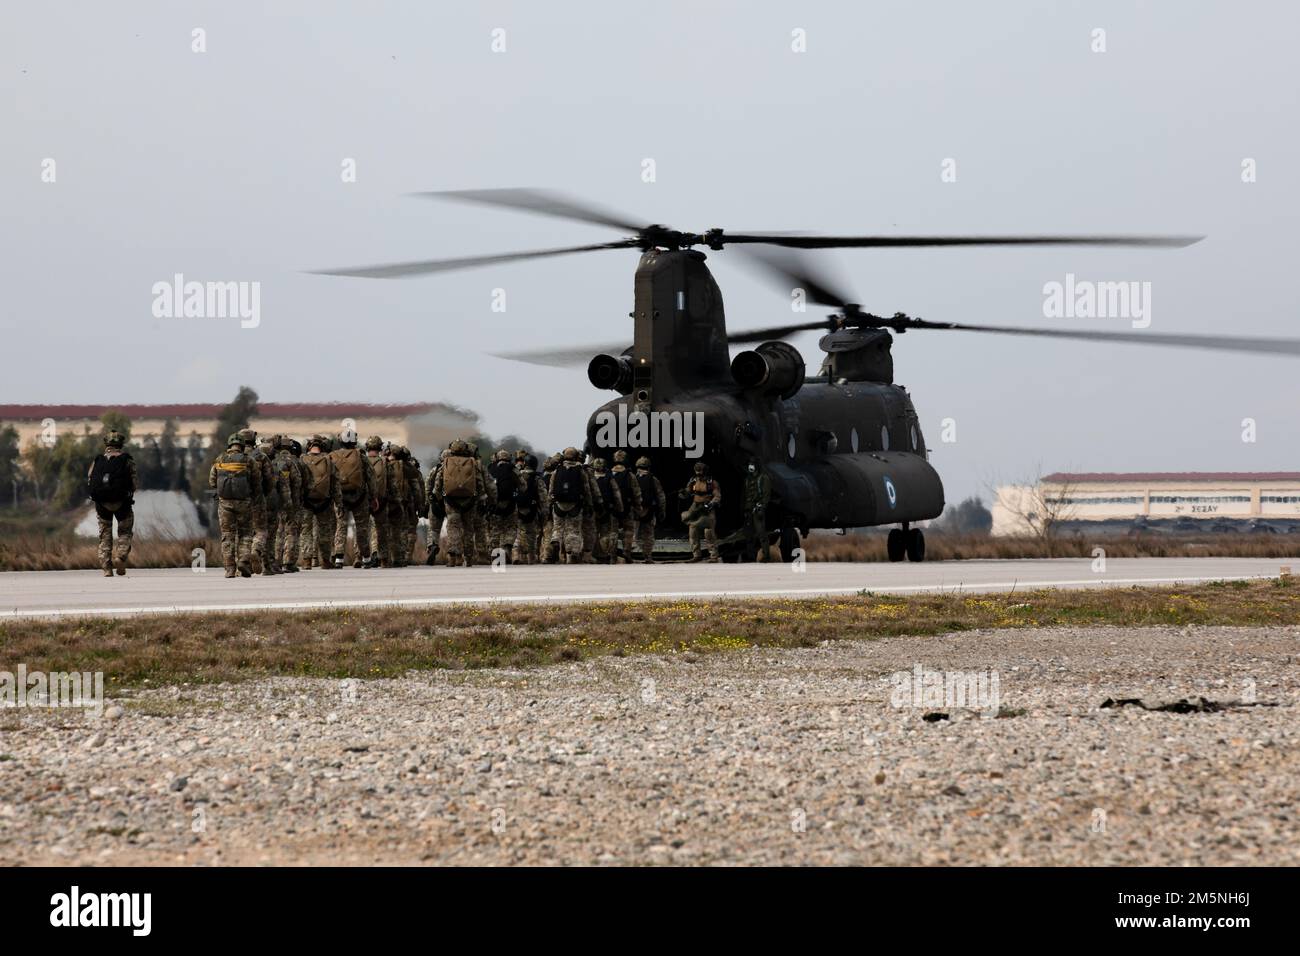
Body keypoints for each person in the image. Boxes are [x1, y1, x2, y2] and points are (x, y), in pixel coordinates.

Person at [86, 430, 137, 576]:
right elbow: (134, 483)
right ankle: (120, 556)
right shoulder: (127, 460)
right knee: (125, 532)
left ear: (106, 444)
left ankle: (106, 567)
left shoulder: (98, 460)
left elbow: (90, 479)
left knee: (105, 535)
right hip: (123, 503)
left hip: (102, 504)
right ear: (120, 444)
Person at [209, 433, 261, 577]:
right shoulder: (249, 460)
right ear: (242, 445)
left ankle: (230, 568)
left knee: (227, 535)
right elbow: (256, 483)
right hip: (244, 502)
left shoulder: (220, 459)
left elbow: (212, 482)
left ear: (229, 445)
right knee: (245, 534)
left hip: (225, 504)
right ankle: (243, 561)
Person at [434, 439, 484, 566]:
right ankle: (468, 558)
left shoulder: (446, 462)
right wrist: (480, 498)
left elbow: (438, 483)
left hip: (451, 501)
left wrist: (438, 498)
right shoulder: (473, 463)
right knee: (468, 528)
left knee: (453, 527)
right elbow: (479, 483)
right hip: (469, 500)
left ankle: (453, 557)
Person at [331, 429, 376, 568]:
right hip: (359, 498)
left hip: (340, 498)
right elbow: (371, 477)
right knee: (361, 528)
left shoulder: (332, 456)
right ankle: (366, 558)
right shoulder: (361, 456)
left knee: (341, 527)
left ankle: (338, 559)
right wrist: (373, 496)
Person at [237, 428, 274, 574]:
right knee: (261, 531)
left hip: (238, 501)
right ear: (253, 440)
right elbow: (269, 480)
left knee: (244, 534)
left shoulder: (233, 456)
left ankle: (243, 562)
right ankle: (256, 552)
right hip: (257, 500)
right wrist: (263, 494)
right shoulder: (261, 456)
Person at [301, 435, 342, 567]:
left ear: (309, 446)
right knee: (324, 530)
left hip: (306, 502)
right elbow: (335, 484)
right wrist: (338, 502)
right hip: (324, 501)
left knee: (306, 531)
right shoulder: (329, 461)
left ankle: (307, 560)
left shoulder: (302, 459)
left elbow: (298, 482)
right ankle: (325, 560)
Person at [548, 447, 592, 564]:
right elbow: (586, 488)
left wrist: (550, 502)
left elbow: (551, 488)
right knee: (573, 530)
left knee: (557, 527)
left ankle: (556, 540)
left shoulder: (557, 469)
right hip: (575, 504)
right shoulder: (580, 469)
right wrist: (589, 503)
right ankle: (571, 553)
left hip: (559, 504)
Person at [679, 461, 722, 562]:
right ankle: (696, 555)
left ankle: (713, 556)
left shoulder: (711, 483)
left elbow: (717, 496)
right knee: (692, 530)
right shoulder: (693, 481)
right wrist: (683, 493)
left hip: (707, 508)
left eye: (700, 472)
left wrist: (711, 503)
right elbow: (687, 492)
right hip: (695, 507)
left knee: (709, 532)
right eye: (697, 472)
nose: (699, 474)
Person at [273, 436, 303, 572]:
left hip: (275, 502)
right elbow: (299, 482)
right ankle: (288, 562)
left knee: (278, 532)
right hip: (292, 502)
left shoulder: (272, 460)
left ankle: (275, 561)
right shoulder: (294, 462)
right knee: (291, 531)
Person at [609, 450, 643, 563]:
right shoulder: (630, 475)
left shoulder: (609, 474)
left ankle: (612, 555)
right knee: (628, 531)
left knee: (613, 532)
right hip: (627, 508)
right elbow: (637, 493)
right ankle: (626, 553)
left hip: (613, 508)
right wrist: (638, 507)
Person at [487, 449, 521, 562]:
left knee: (495, 529)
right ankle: (507, 547)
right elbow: (523, 485)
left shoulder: (491, 468)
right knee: (510, 528)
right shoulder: (513, 468)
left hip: (494, 504)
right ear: (509, 458)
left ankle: (495, 554)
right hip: (510, 503)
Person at [633, 456, 667, 563]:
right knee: (648, 534)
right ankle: (647, 557)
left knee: (632, 534)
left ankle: (628, 556)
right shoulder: (653, 479)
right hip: (649, 511)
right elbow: (661, 496)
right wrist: (662, 511)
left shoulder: (632, 478)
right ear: (648, 467)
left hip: (635, 511)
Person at [513, 453, 545, 564]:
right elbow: (543, 496)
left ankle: (517, 554)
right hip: (532, 508)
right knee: (531, 533)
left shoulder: (517, 475)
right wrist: (544, 511)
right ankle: (531, 557)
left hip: (517, 507)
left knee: (519, 532)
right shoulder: (536, 478)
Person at [364, 436, 390, 567]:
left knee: (362, 529)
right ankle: (384, 559)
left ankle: (361, 557)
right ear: (380, 447)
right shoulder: (385, 462)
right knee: (382, 529)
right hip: (382, 500)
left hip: (363, 500)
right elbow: (392, 483)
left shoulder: (361, 460)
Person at [590, 458, 623, 563]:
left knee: (593, 532)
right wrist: (620, 508)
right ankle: (604, 554)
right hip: (607, 509)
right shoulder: (609, 478)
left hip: (593, 510)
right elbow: (617, 494)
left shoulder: (589, 478)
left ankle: (594, 554)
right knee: (605, 533)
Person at [742, 458, 773, 562]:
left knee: (761, 533)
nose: (751, 466)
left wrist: (762, 507)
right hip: (748, 510)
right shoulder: (747, 479)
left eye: (752, 464)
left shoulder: (763, 478)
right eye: (749, 464)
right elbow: (745, 496)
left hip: (757, 508)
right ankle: (751, 556)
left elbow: (766, 495)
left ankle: (766, 556)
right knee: (749, 535)